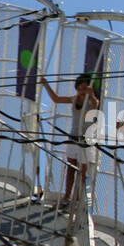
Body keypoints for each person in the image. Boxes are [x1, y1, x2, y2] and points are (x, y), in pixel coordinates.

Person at [41, 72, 99, 209]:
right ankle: (67, 196)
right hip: (73, 138)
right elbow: (56, 99)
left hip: (85, 140)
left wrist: (90, 94)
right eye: (80, 89)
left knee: (83, 172)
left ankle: (79, 199)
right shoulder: (74, 99)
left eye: (84, 89)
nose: (82, 92)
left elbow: (96, 104)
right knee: (71, 169)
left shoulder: (91, 100)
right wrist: (45, 84)